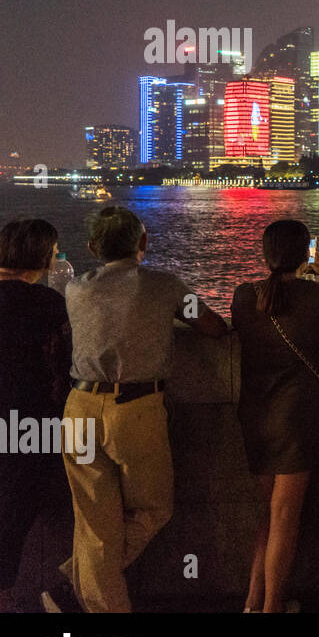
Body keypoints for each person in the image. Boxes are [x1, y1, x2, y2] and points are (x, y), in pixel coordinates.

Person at [44, 206, 229, 613]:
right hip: (136, 409)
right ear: (143, 243)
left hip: (79, 408)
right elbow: (213, 327)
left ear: (92, 248)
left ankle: (82, 586)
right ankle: (76, 583)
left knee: (95, 524)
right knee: (154, 508)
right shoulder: (164, 286)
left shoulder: (76, 289)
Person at [231, 220, 319, 613]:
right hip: (299, 417)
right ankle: (272, 606)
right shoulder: (317, 297)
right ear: (302, 254)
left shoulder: (244, 296)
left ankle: (253, 601)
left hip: (256, 416)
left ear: (265, 253)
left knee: (270, 513)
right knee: (285, 518)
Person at [0, 220, 72, 612]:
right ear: (42, 258)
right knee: (12, 518)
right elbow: (63, 364)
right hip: (26, 427)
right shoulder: (47, 304)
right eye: (54, 253)